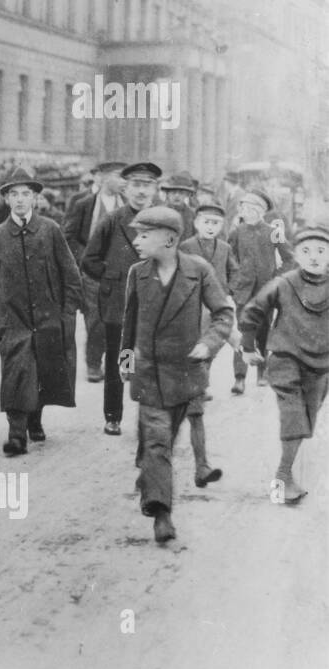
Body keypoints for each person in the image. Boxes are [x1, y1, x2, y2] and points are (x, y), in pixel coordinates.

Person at [119, 206, 233, 543]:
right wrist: (126, 363)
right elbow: (128, 324)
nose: (136, 241)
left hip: (186, 374)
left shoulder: (199, 271)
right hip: (150, 373)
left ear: (169, 239)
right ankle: (162, 514)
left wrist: (208, 344)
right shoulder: (137, 274)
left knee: (164, 440)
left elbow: (223, 314)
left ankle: (149, 477)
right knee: (157, 442)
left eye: (144, 235)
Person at [0, 168, 82, 455]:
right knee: (16, 371)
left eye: (26, 194)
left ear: (35, 198)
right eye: (14, 194)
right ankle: (16, 434)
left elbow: (70, 274)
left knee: (43, 371)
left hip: (47, 315)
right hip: (12, 317)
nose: (20, 200)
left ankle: (35, 420)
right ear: (6, 199)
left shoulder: (50, 230)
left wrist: (67, 313)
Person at [239, 221, 329, 505]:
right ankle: (281, 481)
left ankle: (286, 475)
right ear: (297, 255)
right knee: (294, 419)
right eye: (306, 250)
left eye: (321, 250)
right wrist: (247, 345)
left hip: (321, 365)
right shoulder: (284, 283)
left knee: (307, 422)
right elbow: (253, 311)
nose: (314, 256)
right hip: (285, 359)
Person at [81, 161, 160, 435]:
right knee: (119, 359)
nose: (141, 191)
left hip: (154, 304)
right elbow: (89, 260)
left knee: (150, 362)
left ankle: (148, 420)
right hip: (119, 304)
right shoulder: (113, 220)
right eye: (136, 185)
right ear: (126, 189)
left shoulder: (163, 220)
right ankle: (113, 416)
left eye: (147, 185)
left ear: (155, 189)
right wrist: (113, 275)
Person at [180, 201, 240, 466]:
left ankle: (201, 378)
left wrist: (231, 290)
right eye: (206, 222)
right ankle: (196, 383)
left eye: (216, 223)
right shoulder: (186, 246)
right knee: (197, 342)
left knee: (213, 344)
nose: (210, 227)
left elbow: (235, 272)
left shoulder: (225, 248)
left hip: (216, 302)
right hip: (194, 302)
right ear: (196, 223)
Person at [63, 160, 125, 382]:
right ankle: (93, 364)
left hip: (122, 275)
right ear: (104, 177)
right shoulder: (85, 205)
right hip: (93, 274)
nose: (123, 181)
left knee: (124, 321)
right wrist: (86, 259)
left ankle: (124, 365)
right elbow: (69, 236)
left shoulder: (128, 206)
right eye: (119, 176)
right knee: (96, 320)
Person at [229, 189, 294, 395]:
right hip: (243, 291)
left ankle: (262, 372)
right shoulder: (236, 232)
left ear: (262, 211)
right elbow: (229, 260)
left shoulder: (272, 231)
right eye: (245, 208)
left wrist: (278, 278)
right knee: (243, 331)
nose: (248, 212)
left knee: (264, 330)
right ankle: (239, 378)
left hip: (265, 291)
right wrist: (234, 282)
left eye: (254, 208)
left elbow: (290, 257)